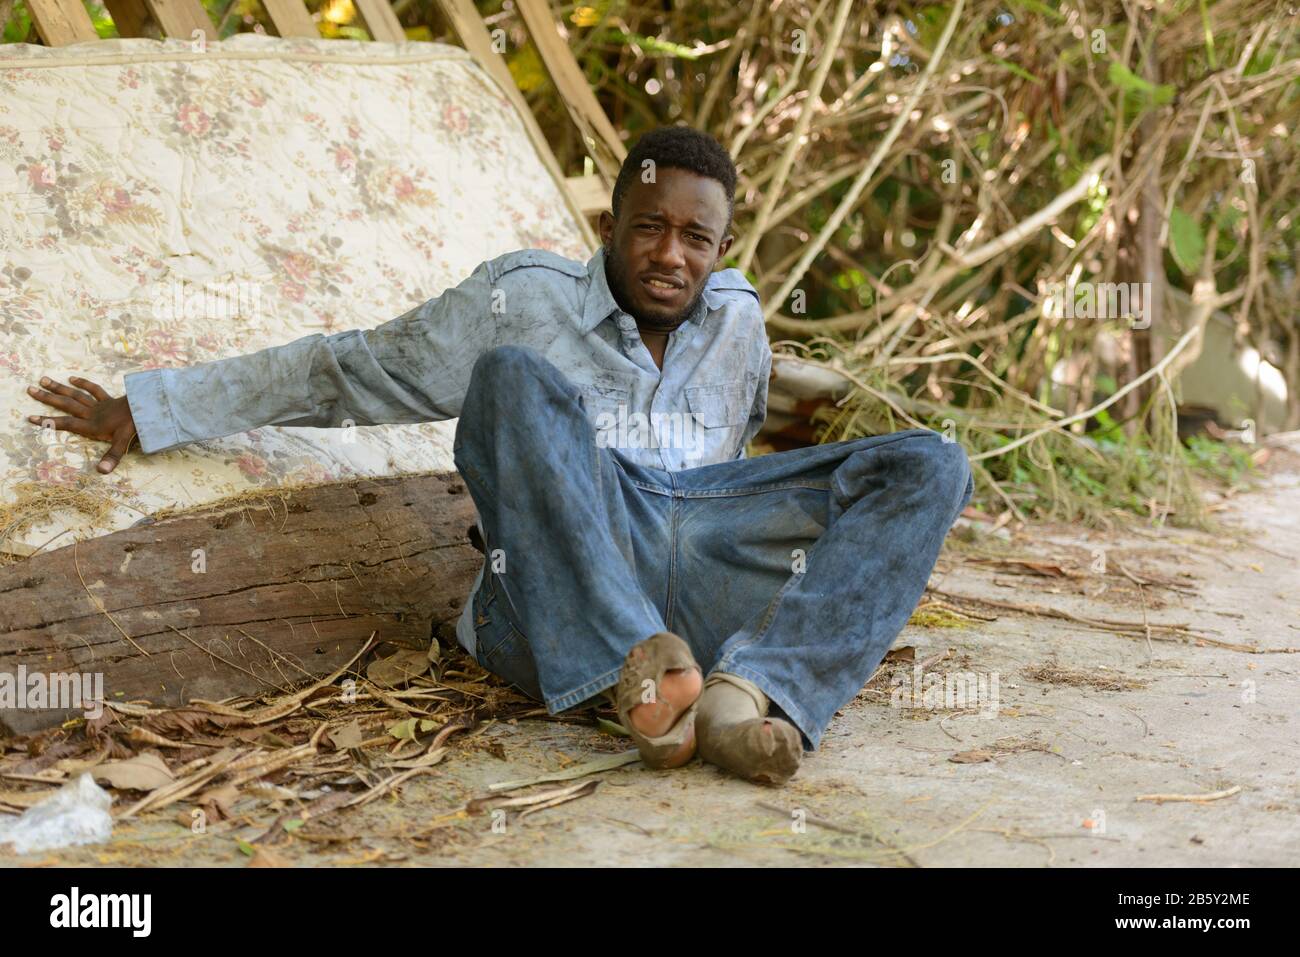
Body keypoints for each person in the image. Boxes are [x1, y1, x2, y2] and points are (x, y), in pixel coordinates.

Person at [26, 126, 972, 786]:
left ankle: (748, 694)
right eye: (649, 226)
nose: (670, 255)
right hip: (561, 582)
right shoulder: (521, 298)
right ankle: (635, 671)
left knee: (932, 463)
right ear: (609, 225)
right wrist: (153, 409)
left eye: (696, 237)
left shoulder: (741, 323)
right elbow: (347, 370)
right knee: (513, 376)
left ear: (724, 248)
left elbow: (759, 451)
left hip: (706, 551)